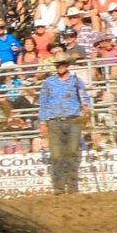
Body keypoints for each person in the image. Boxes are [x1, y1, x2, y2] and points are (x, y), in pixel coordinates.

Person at [38, 56, 92, 194]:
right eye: (58, 65)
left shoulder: (76, 81)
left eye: (62, 64)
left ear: (67, 65)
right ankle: (59, 188)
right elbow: (43, 103)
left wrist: (86, 108)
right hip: (54, 121)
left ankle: (72, 187)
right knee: (56, 155)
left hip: (73, 120)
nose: (60, 67)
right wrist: (42, 122)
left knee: (72, 153)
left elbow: (85, 98)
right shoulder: (48, 83)